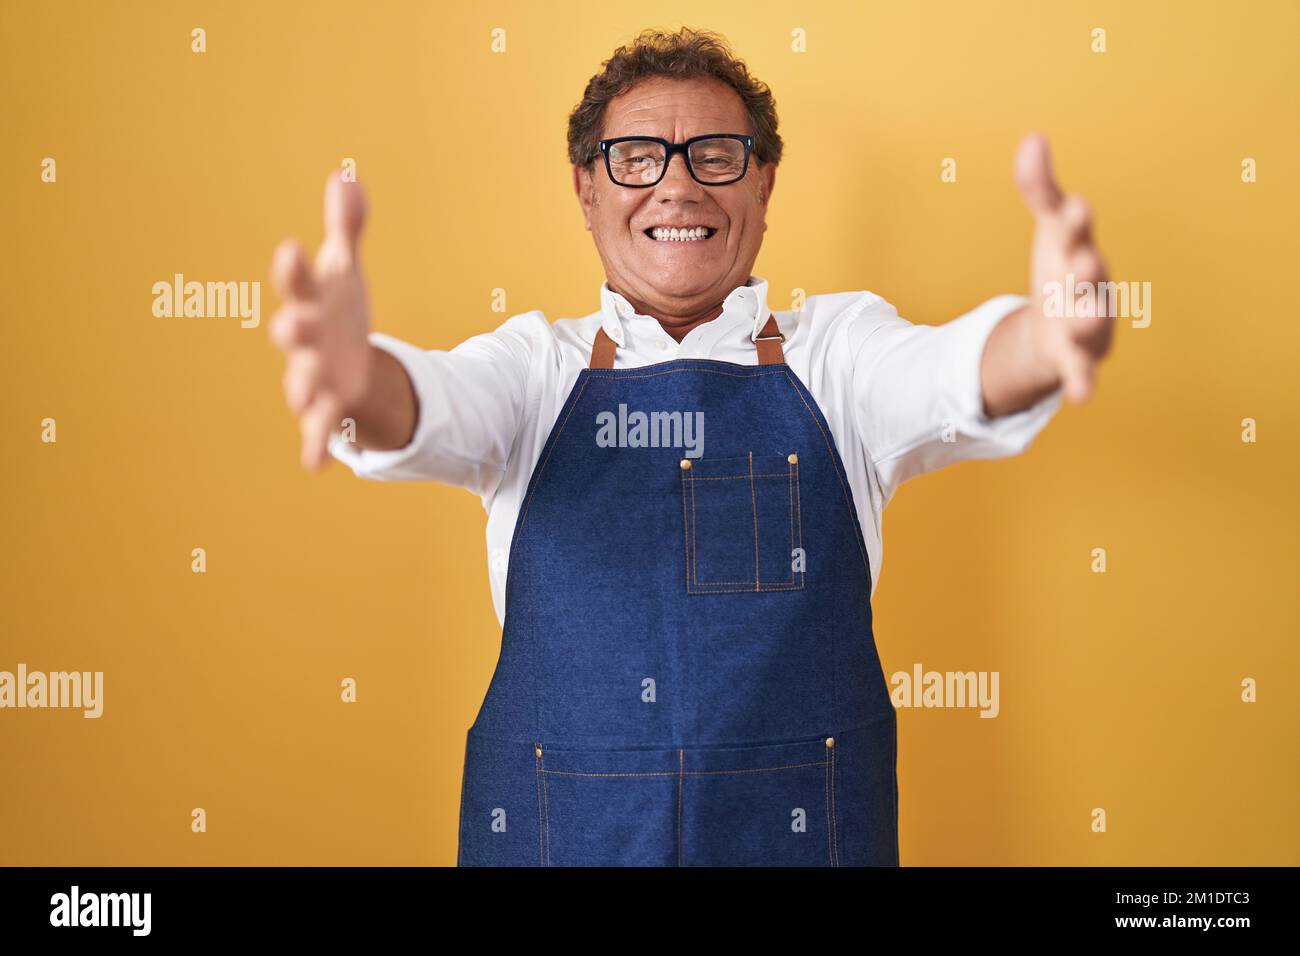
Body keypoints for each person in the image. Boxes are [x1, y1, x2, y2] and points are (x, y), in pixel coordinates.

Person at [268, 28, 1112, 866]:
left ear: (764, 183)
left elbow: (950, 371)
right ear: (587, 189)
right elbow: (427, 403)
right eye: (637, 157)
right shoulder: (532, 370)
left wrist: (1045, 337)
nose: (677, 185)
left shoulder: (841, 355)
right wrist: (356, 378)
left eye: (715, 155)